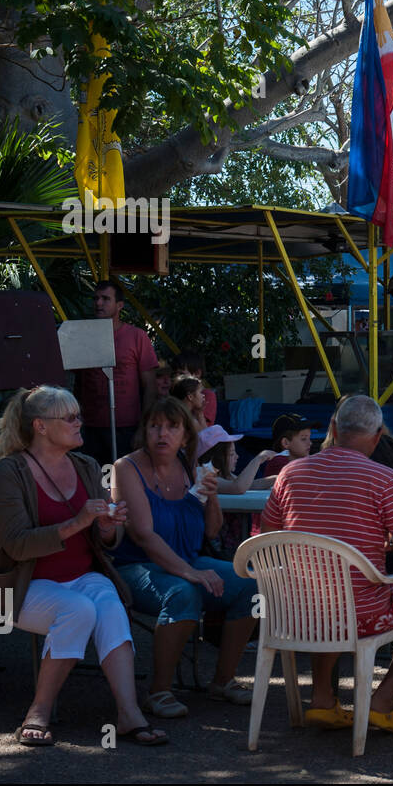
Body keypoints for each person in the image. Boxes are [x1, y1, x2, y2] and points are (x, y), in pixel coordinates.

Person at [256, 395, 393, 734]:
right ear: (378, 437)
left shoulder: (289, 474)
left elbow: (265, 538)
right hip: (360, 613)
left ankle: (322, 701)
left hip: (295, 611)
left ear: (333, 428)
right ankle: (381, 701)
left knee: (326, 587)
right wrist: (387, 539)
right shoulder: (384, 479)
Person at [0, 385, 167, 747]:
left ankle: (129, 713)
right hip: (24, 586)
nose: (79, 422)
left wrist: (107, 528)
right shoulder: (8, 473)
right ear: (40, 426)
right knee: (79, 610)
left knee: (110, 606)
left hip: (81, 577)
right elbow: (17, 544)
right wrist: (79, 522)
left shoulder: (86, 466)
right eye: (68, 417)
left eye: (78, 414)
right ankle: (38, 711)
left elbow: (105, 542)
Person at [111, 397, 258, 717]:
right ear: (144, 431)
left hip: (188, 561)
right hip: (135, 567)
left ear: (186, 436)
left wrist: (213, 496)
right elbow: (143, 536)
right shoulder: (126, 468)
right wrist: (190, 573)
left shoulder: (192, 467)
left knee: (251, 585)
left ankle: (222, 681)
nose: (162, 434)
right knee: (184, 592)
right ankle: (159, 691)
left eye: (171, 427)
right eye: (154, 426)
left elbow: (211, 532)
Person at [74, 281, 159, 466]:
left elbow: (151, 386)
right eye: (96, 298)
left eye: (105, 299)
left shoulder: (136, 337)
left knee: (123, 483)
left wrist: (144, 427)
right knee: (96, 482)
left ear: (119, 305)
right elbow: (79, 383)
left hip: (126, 428)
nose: (98, 303)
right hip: (91, 428)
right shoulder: (83, 336)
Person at [173, 350, 217, 428]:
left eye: (181, 374)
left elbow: (204, 431)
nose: (177, 377)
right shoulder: (175, 394)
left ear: (197, 373)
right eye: (175, 374)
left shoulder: (207, 395)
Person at [263, 413, 313, 477]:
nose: (310, 443)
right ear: (285, 443)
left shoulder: (304, 459)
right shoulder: (278, 462)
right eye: (303, 439)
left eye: (309, 438)